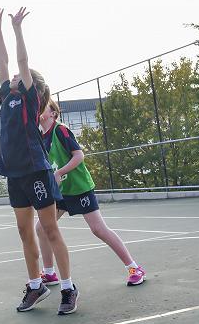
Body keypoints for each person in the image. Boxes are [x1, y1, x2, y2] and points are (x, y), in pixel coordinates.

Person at [0, 7, 78, 315]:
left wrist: (17, 29)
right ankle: (34, 285)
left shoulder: (29, 97)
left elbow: (21, 62)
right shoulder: (6, 97)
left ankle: (68, 288)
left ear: (33, 88)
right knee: (24, 231)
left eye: (19, 76)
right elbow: (2, 63)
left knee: (49, 228)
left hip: (36, 171)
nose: (13, 76)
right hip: (14, 173)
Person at [35, 99, 146, 286]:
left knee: (98, 229)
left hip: (79, 188)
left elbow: (79, 155)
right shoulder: (40, 137)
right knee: (41, 228)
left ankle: (134, 267)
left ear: (53, 113)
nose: (38, 109)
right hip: (61, 191)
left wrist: (60, 172)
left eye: (43, 106)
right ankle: (49, 273)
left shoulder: (60, 130)